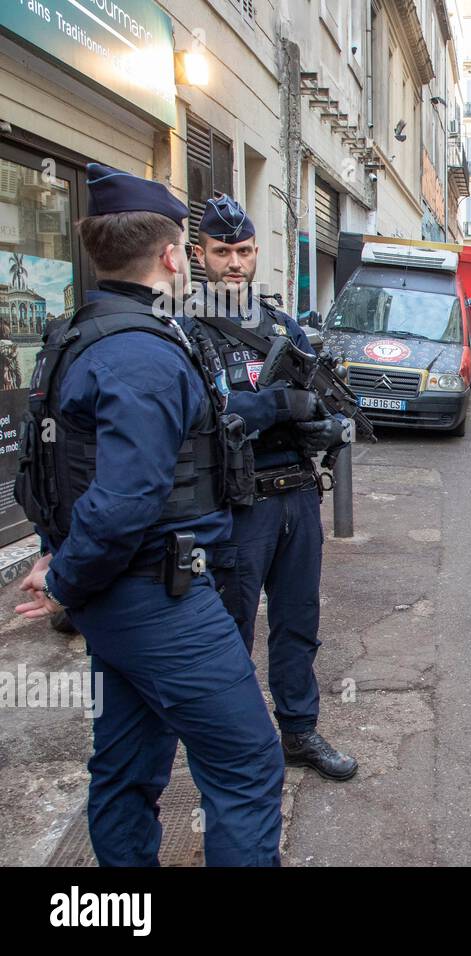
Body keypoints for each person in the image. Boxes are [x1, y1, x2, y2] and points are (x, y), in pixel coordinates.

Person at [13, 164, 283, 865]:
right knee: (247, 765)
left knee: (126, 767)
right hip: (157, 598)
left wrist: (57, 557)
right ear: (171, 256)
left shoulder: (79, 330)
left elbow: (63, 471)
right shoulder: (142, 353)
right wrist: (65, 575)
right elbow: (126, 498)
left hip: (117, 596)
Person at [189, 195, 358, 782]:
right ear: (198, 255)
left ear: (257, 252)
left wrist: (328, 423)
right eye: (222, 252)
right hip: (238, 506)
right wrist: (278, 405)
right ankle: (235, 747)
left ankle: (298, 731)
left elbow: (325, 399)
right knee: (231, 629)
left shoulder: (283, 326)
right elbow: (202, 413)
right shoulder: (186, 330)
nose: (234, 263)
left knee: (297, 623)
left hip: (298, 498)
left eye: (243, 251)